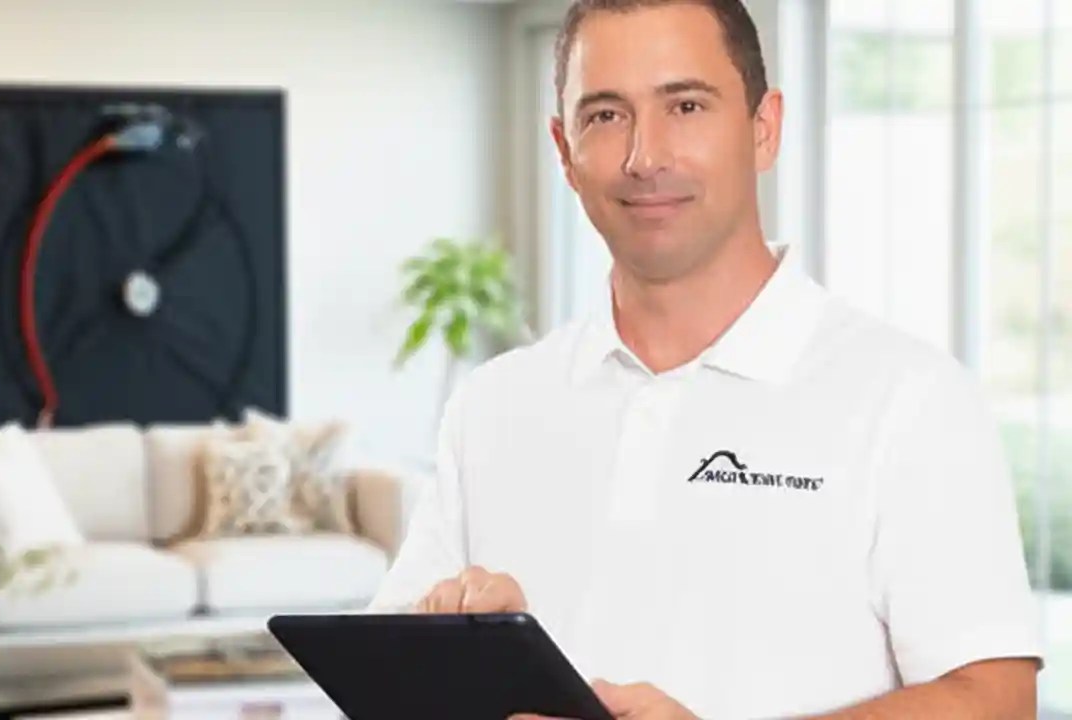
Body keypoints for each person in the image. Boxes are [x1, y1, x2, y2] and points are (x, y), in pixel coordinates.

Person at [368, 0, 1043, 718]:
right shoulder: (492, 404)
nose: (645, 157)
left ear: (764, 128)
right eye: (606, 115)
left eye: (685, 106)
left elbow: (997, 701)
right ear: (564, 150)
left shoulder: (911, 398)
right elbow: (386, 679)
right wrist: (468, 657)